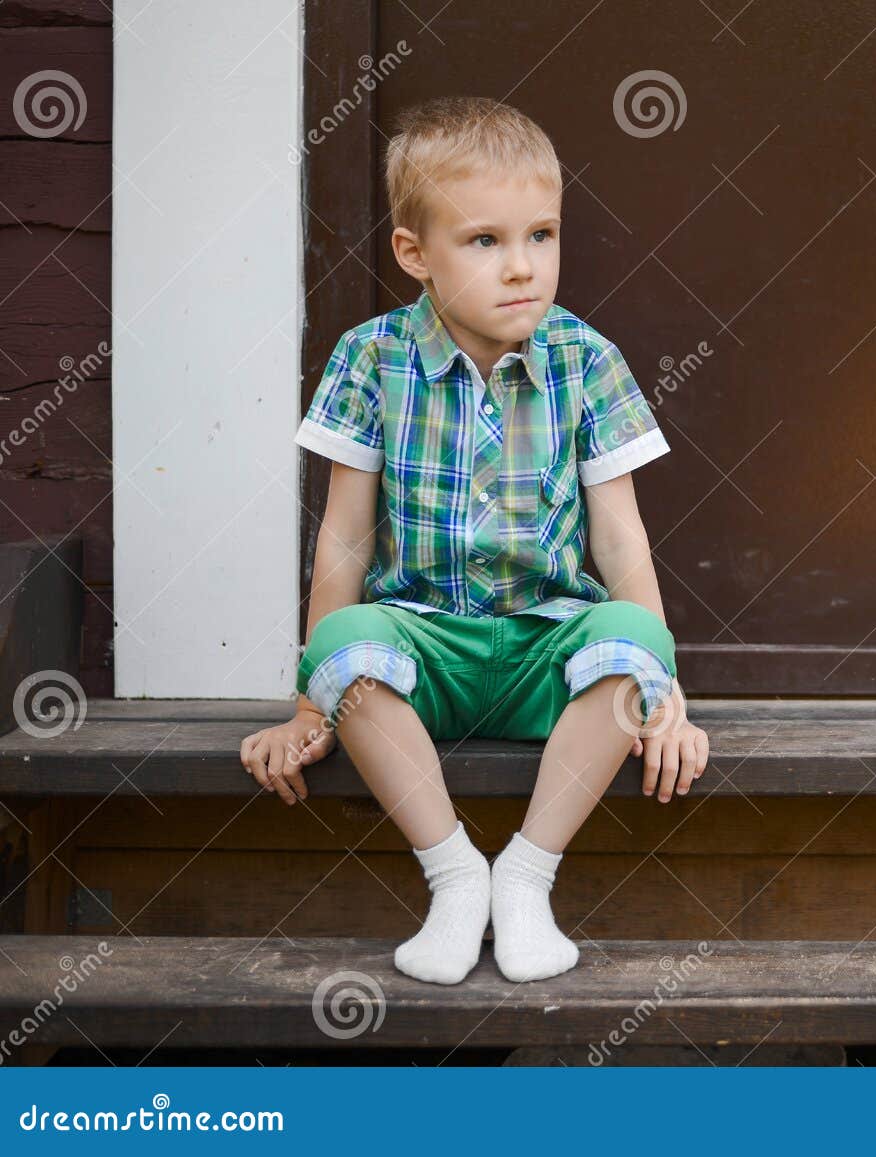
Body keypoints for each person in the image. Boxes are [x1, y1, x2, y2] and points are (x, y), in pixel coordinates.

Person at [238, 95, 709, 987]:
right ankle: (456, 875)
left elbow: (619, 530)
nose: (522, 267)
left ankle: (526, 877)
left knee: (639, 636)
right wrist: (310, 705)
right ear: (415, 254)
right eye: (486, 241)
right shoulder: (371, 359)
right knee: (342, 643)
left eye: (542, 234)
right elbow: (343, 534)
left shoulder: (585, 359)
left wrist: (666, 692)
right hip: (428, 656)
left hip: (546, 652)